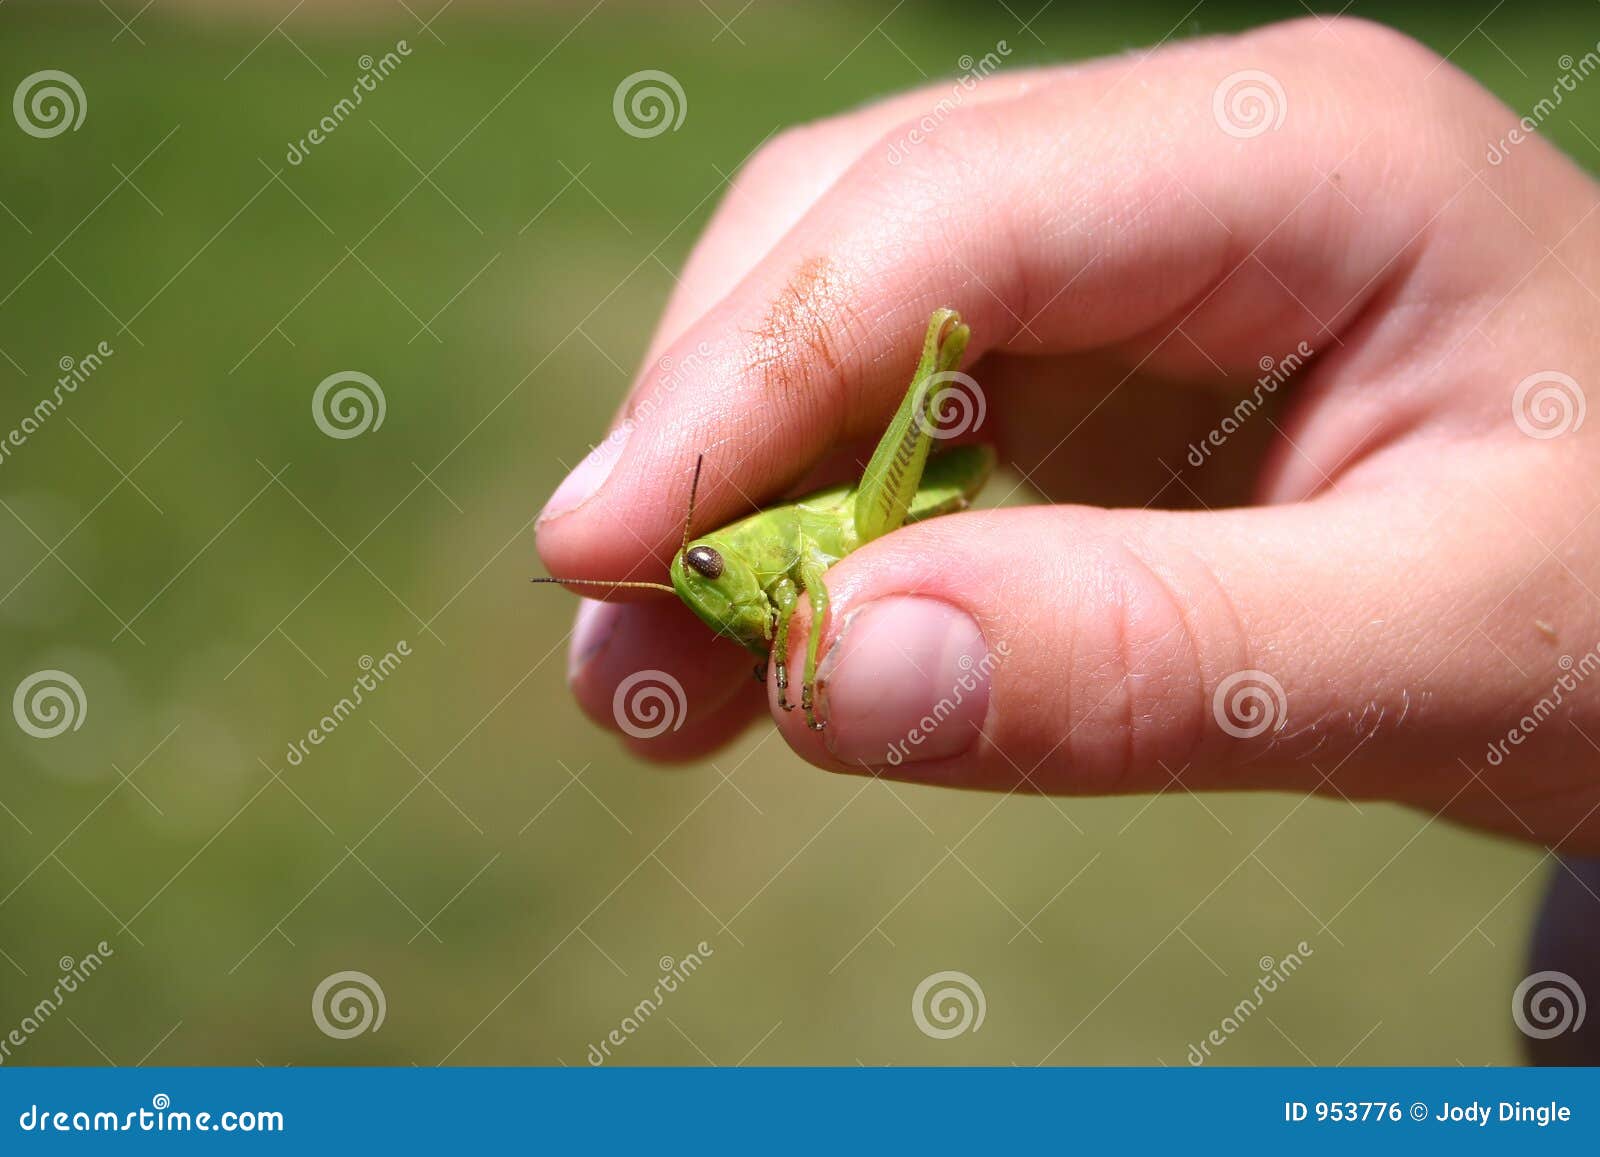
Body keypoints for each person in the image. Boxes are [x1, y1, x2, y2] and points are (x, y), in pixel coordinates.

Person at [536, 17, 1599, 1061]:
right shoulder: (746, 583)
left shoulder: (785, 554)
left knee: (927, 356)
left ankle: (944, 354)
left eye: (705, 567)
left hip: (885, 503)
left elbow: (816, 581)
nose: (707, 586)